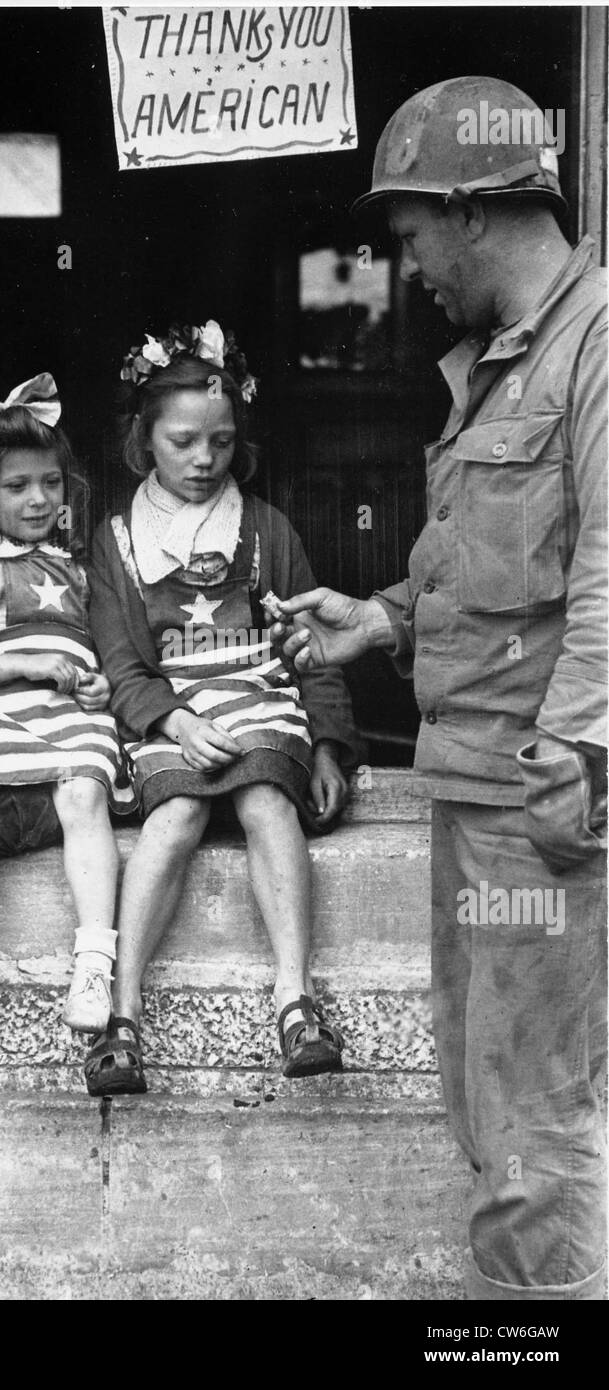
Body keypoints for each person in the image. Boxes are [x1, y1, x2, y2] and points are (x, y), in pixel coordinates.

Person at [278, 78, 607, 1301]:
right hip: (470, 790)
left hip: (538, 809)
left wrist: (576, 751)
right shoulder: (501, 364)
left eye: (409, 235)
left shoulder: (597, 347)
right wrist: (378, 618)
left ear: (472, 210)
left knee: (529, 1115)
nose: (402, 265)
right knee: (483, 1091)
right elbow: (483, 567)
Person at [83, 322, 360, 1095]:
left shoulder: (265, 528)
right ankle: (123, 1016)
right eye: (181, 443)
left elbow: (311, 647)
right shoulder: (117, 543)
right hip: (172, 710)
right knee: (171, 819)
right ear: (143, 442)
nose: (204, 461)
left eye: (221, 443)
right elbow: (122, 666)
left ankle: (295, 1000)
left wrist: (331, 745)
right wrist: (172, 722)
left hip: (259, 699)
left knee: (268, 798)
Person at [0, 373, 134, 1041]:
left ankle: (95, 962)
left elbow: (106, 649)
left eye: (50, 483)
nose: (39, 499)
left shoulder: (79, 566)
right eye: (16, 486)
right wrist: (23, 664)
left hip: (69, 716)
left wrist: (100, 688)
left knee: (83, 790)